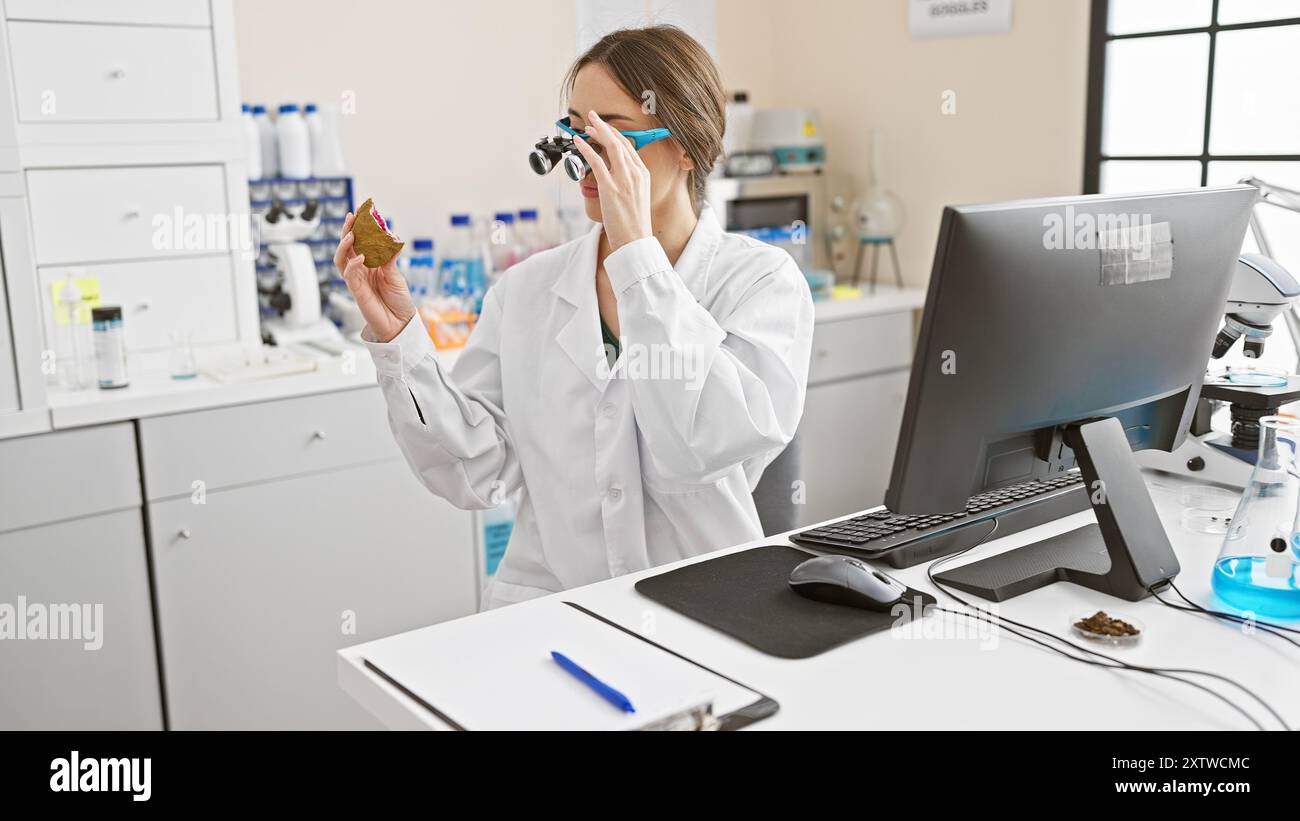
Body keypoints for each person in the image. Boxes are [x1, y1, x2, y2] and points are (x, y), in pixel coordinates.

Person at [335, 25, 814, 609]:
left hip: (702, 606)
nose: (583, 157)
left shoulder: (760, 283)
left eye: (613, 135)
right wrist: (399, 338)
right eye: (575, 131)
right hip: (551, 607)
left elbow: (700, 446)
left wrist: (637, 257)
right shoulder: (526, 290)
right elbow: (479, 471)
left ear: (688, 145)